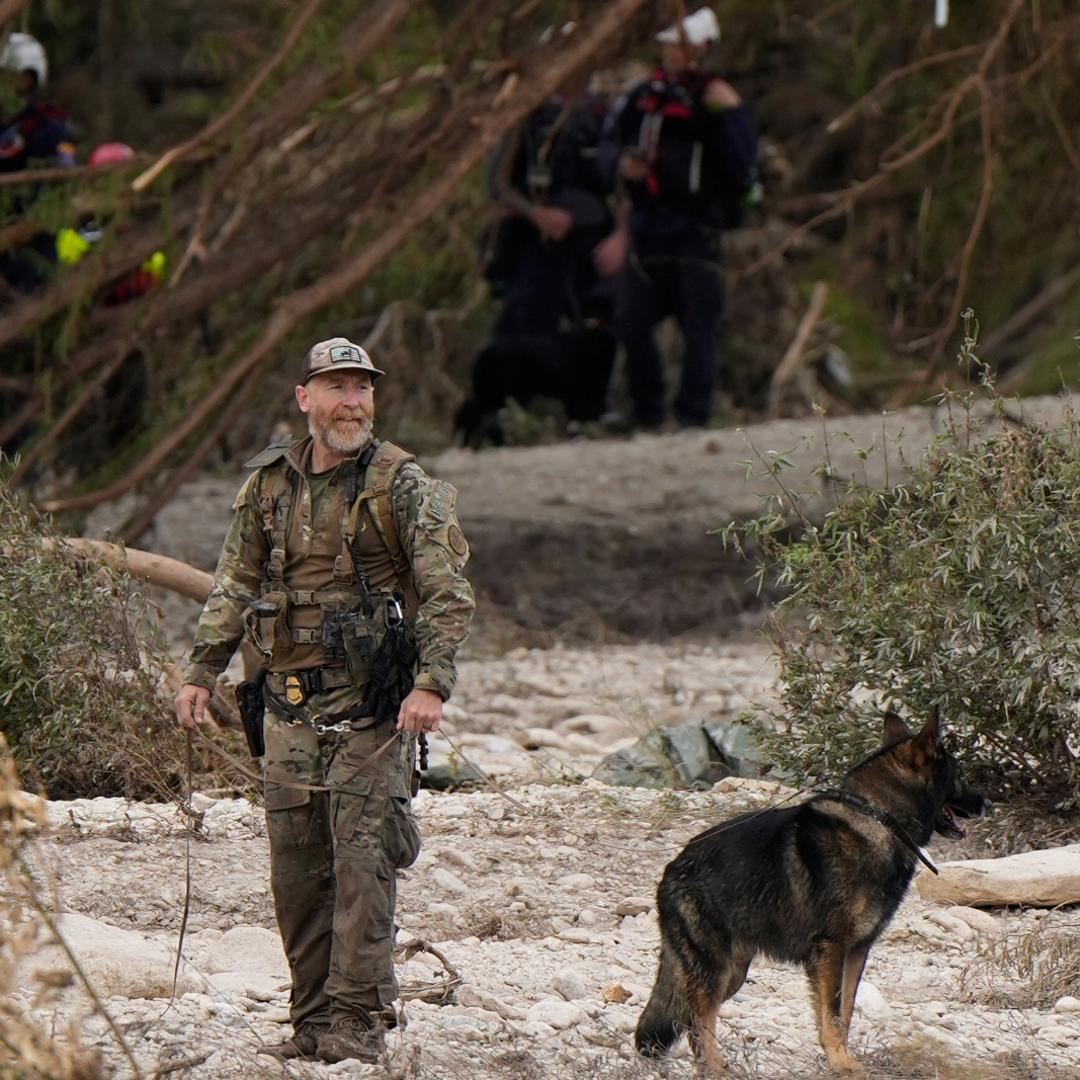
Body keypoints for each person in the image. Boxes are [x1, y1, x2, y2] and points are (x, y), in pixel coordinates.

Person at [174, 338, 475, 1064]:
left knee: (364, 870)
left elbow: (446, 591)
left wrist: (431, 682)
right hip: (286, 707)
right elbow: (233, 584)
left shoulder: (402, 482)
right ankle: (311, 1022)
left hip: (371, 713)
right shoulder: (269, 485)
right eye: (337, 387)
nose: (353, 402)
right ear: (304, 398)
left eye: (363, 389)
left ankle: (357, 1025)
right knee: (296, 872)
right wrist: (200, 671)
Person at [595, 7, 758, 429]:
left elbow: (744, 163)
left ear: (702, 48)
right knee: (631, 320)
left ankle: (693, 417)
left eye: (678, 45)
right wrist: (623, 167)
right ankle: (647, 412)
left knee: (699, 330)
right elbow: (607, 146)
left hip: (697, 234)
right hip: (647, 233)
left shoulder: (718, 98)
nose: (670, 53)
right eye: (667, 45)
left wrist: (732, 112)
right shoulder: (643, 95)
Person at [485, 82, 613, 337]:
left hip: (594, 242)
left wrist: (621, 237)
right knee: (524, 321)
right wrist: (537, 215)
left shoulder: (604, 111)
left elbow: (624, 184)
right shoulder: (528, 113)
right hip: (534, 239)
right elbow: (498, 183)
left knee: (594, 326)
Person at [0, 32, 77, 291]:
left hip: (33, 242)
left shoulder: (47, 124)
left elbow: (61, 178)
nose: (12, 87)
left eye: (20, 79)